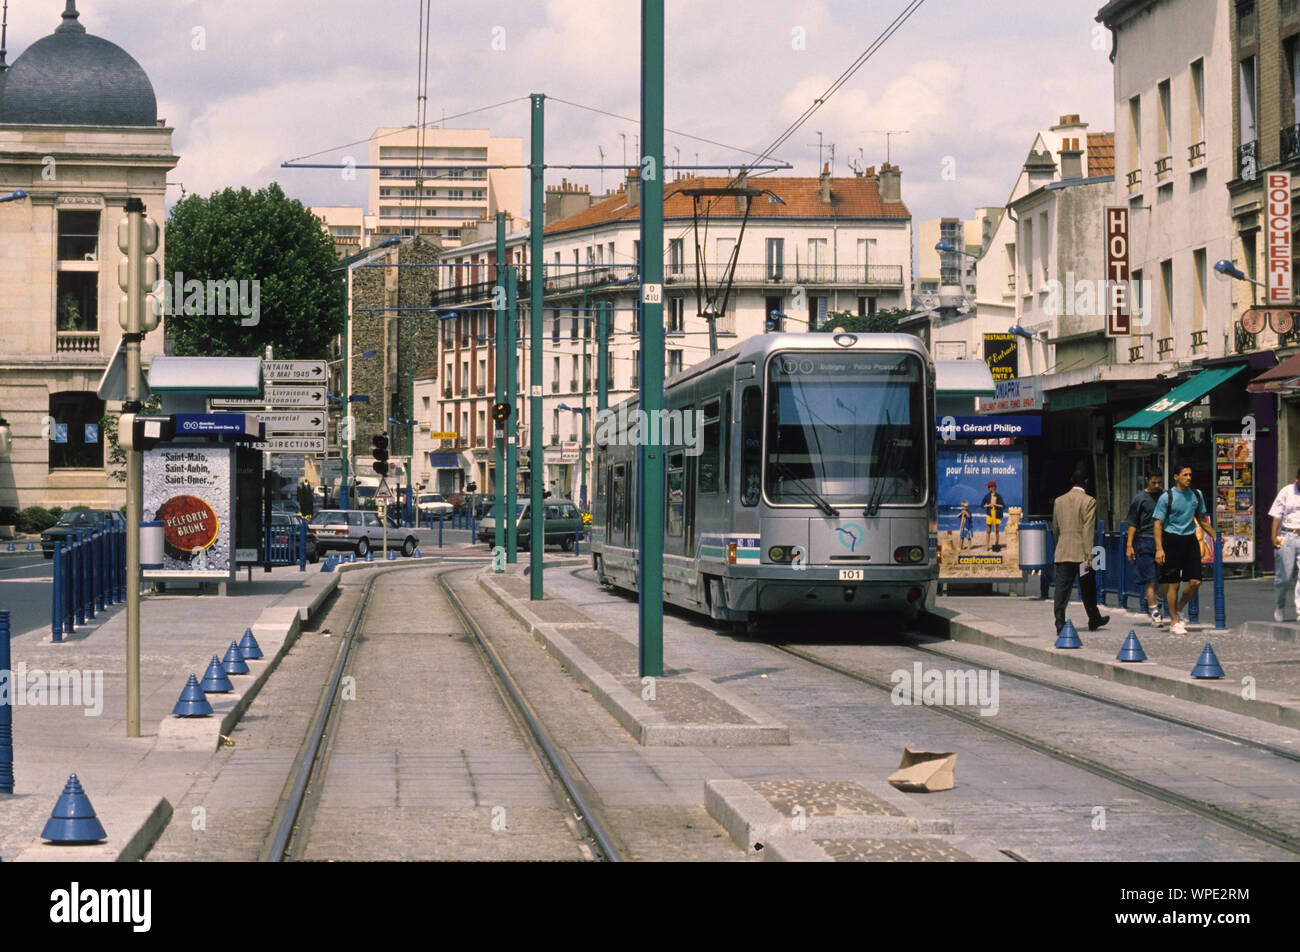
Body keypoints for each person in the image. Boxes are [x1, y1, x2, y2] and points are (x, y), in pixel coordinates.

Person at [1153, 465, 1214, 635]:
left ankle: (1178, 608)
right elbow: (1157, 523)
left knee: (1196, 582)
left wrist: (1215, 535)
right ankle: (1173, 622)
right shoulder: (1167, 497)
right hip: (1171, 540)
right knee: (1174, 584)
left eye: (1190, 474)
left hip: (1190, 539)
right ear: (1176, 477)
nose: (1189, 477)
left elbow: (1201, 519)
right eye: (1185, 475)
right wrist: (1159, 549)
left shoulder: (1196, 494)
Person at [1052, 469, 1109, 634]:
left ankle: (1059, 622)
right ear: (1086, 481)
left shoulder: (1059, 501)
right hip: (1082, 555)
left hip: (1063, 552)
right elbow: (1088, 529)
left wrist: (1059, 545)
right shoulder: (1089, 501)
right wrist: (1090, 555)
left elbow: (1055, 528)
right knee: (1088, 587)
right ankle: (1093, 618)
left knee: (1062, 589)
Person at [1125, 471, 1164, 627]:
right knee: (1150, 580)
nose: (1156, 486)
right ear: (1147, 480)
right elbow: (1132, 523)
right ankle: (1155, 613)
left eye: (1158, 483)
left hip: (1162, 540)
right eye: (1153, 482)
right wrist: (1129, 546)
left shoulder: (1165, 496)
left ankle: (1156, 601)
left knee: (1165, 579)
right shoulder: (1139, 499)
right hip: (1145, 541)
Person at [1268, 466, 1300, 623]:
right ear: (1297, 480)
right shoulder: (1287, 491)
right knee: (1284, 577)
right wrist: (1273, 536)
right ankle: (1279, 606)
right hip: (1287, 535)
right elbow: (1276, 515)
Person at [981, 481, 1005, 550]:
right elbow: (982, 505)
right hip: (989, 514)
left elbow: (1003, 506)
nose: (988, 488)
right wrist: (988, 505)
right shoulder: (987, 496)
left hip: (997, 514)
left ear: (993, 487)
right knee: (988, 530)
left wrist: (995, 505)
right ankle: (987, 546)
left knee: (996, 530)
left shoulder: (998, 496)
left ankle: (997, 543)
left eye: (989, 486)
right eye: (988, 487)